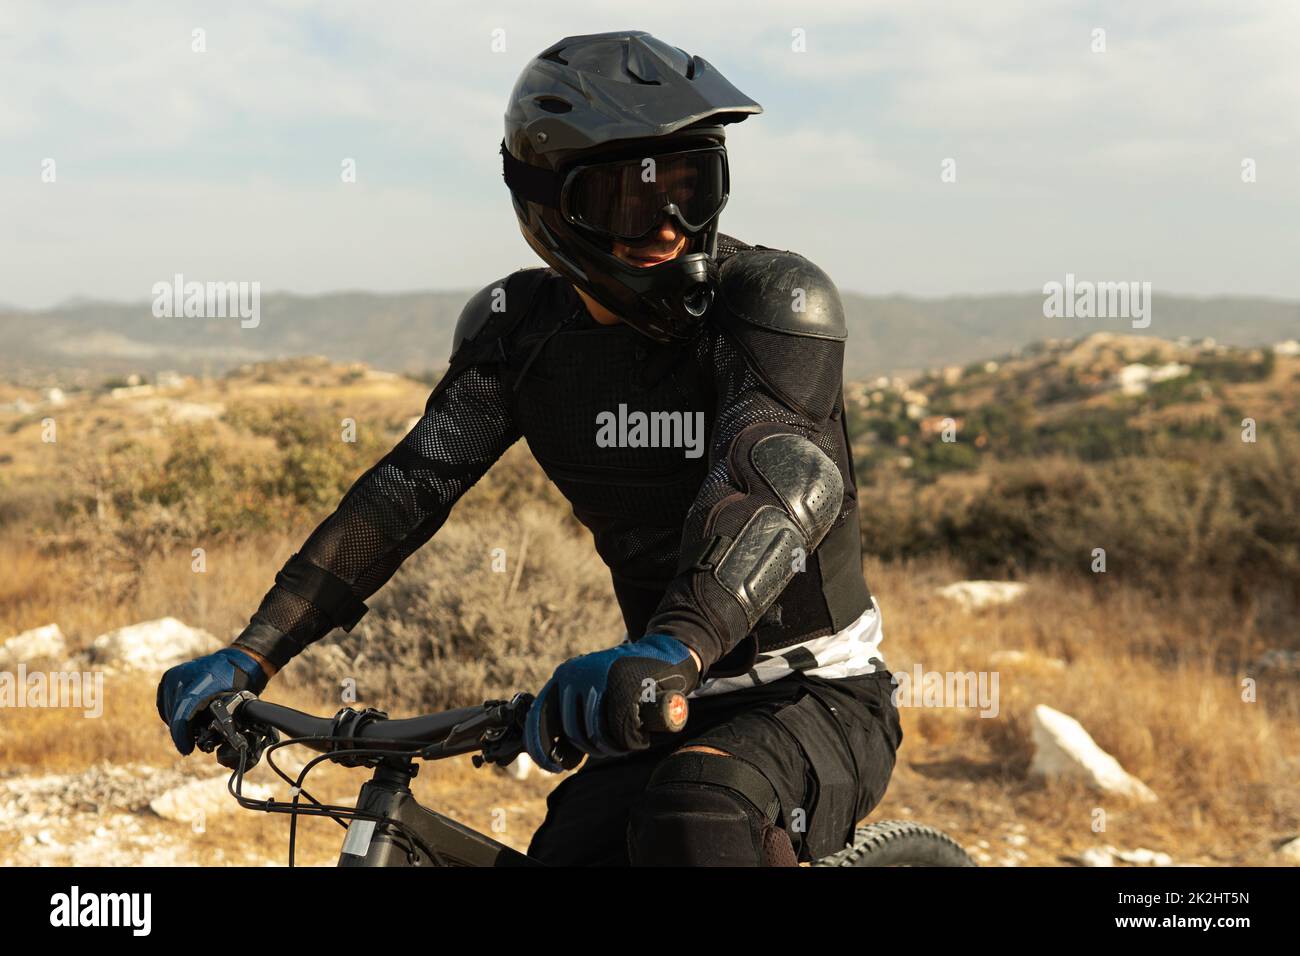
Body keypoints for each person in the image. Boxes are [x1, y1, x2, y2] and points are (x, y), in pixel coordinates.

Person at [157, 30, 902, 866]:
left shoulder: (773, 302)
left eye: (692, 188)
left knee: (697, 817)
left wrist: (675, 646)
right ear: (551, 205)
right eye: (630, 198)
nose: (669, 225)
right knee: (568, 848)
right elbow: (405, 492)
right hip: (655, 695)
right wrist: (253, 651)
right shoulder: (519, 333)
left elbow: (773, 481)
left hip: (813, 693)